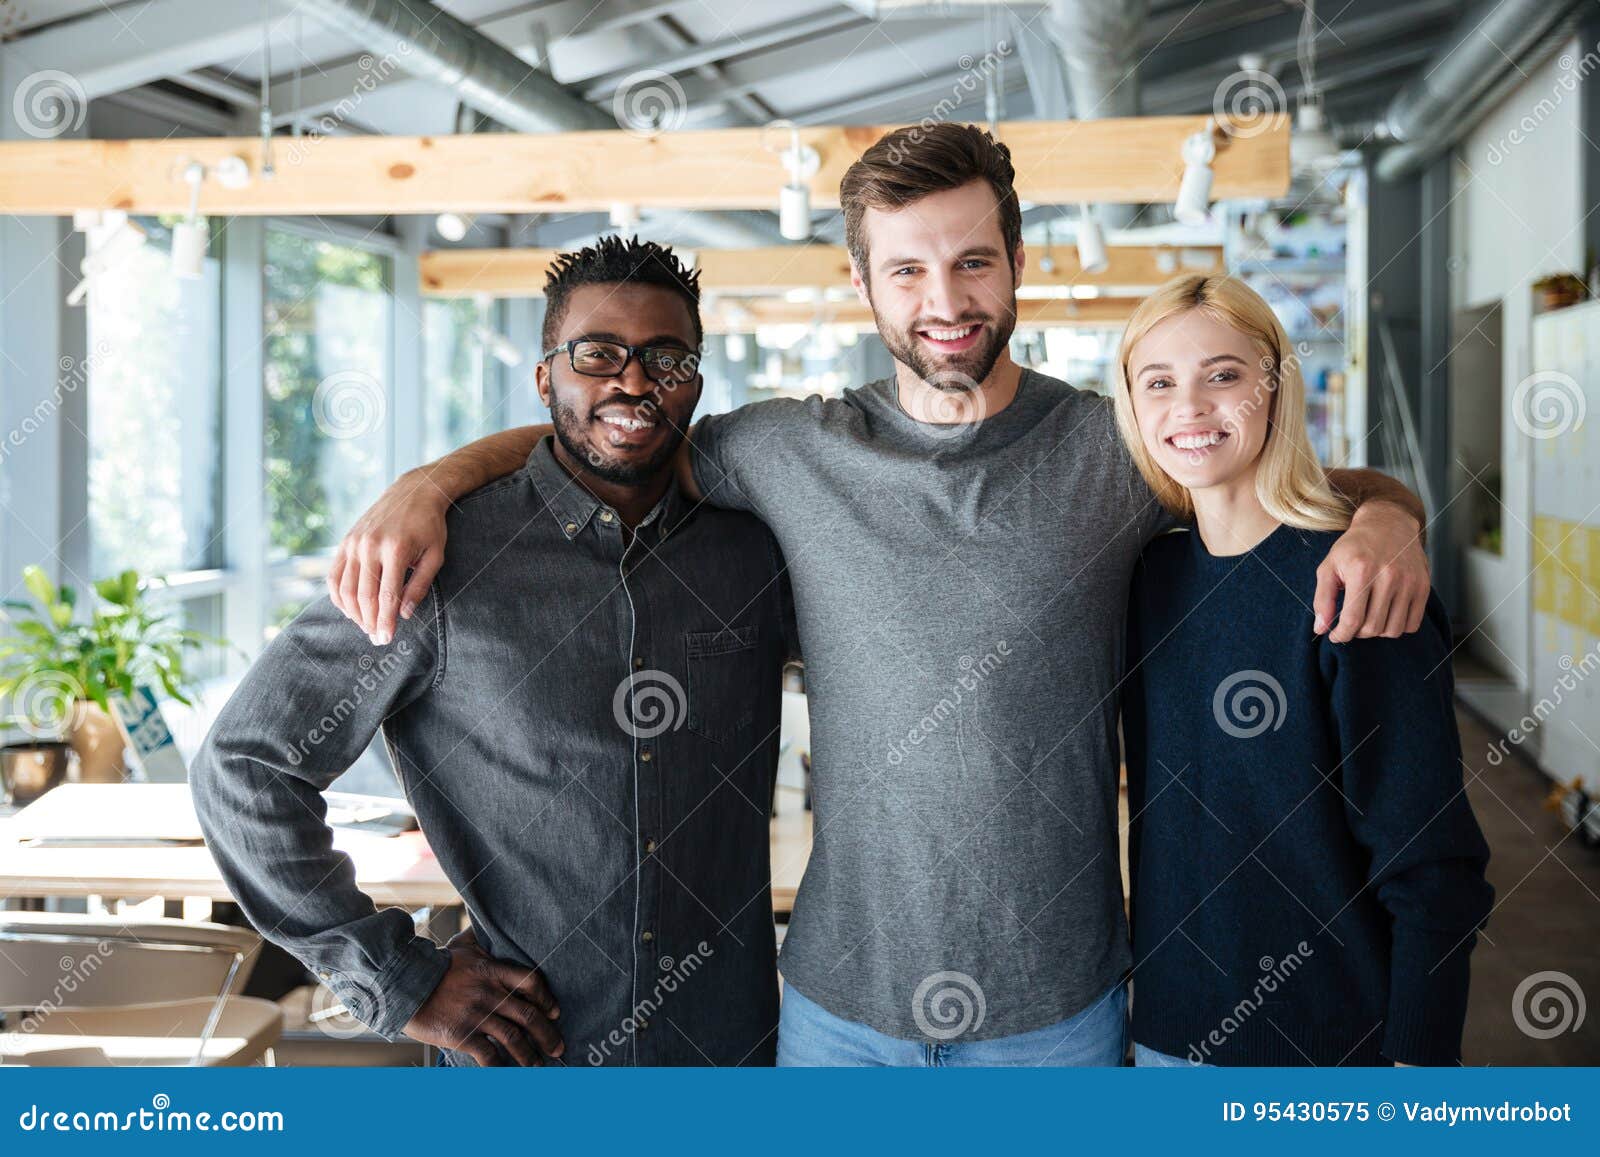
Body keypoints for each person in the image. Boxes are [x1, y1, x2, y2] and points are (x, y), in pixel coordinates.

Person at [324, 124, 1433, 1066]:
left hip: (1058, 1013)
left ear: (1015, 265)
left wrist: (1388, 512)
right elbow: (609, 430)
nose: (942, 300)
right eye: (905, 269)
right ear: (860, 284)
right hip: (835, 1012)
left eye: (971, 262)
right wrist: (432, 483)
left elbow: (1286, 476)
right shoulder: (787, 448)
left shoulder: (1118, 445)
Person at [191, 238, 794, 1067]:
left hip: (731, 1051)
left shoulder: (754, 556)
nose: (632, 380)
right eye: (598, 353)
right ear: (545, 376)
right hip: (527, 1057)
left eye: (666, 357)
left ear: (694, 378)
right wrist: (399, 981)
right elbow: (245, 766)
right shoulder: (437, 560)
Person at [1115, 275, 1493, 1067]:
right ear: (1131, 405)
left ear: (1275, 391)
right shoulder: (1147, 579)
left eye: (1223, 375)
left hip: (1331, 1045)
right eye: (1159, 382)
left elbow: (1435, 865)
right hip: (1165, 1035)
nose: (1188, 407)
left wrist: (1419, 1068)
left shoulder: (1358, 583)